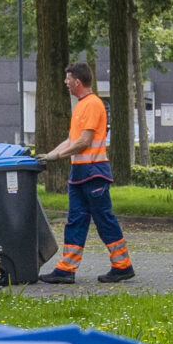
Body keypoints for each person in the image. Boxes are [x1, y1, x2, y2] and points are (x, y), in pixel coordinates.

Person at [36, 62, 133, 284]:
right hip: (81, 173)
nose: (65, 82)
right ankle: (66, 269)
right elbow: (72, 140)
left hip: (93, 172)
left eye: (68, 78)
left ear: (77, 82)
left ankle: (123, 265)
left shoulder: (92, 104)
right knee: (76, 221)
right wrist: (48, 155)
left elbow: (84, 141)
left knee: (104, 219)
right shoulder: (80, 106)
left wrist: (55, 157)